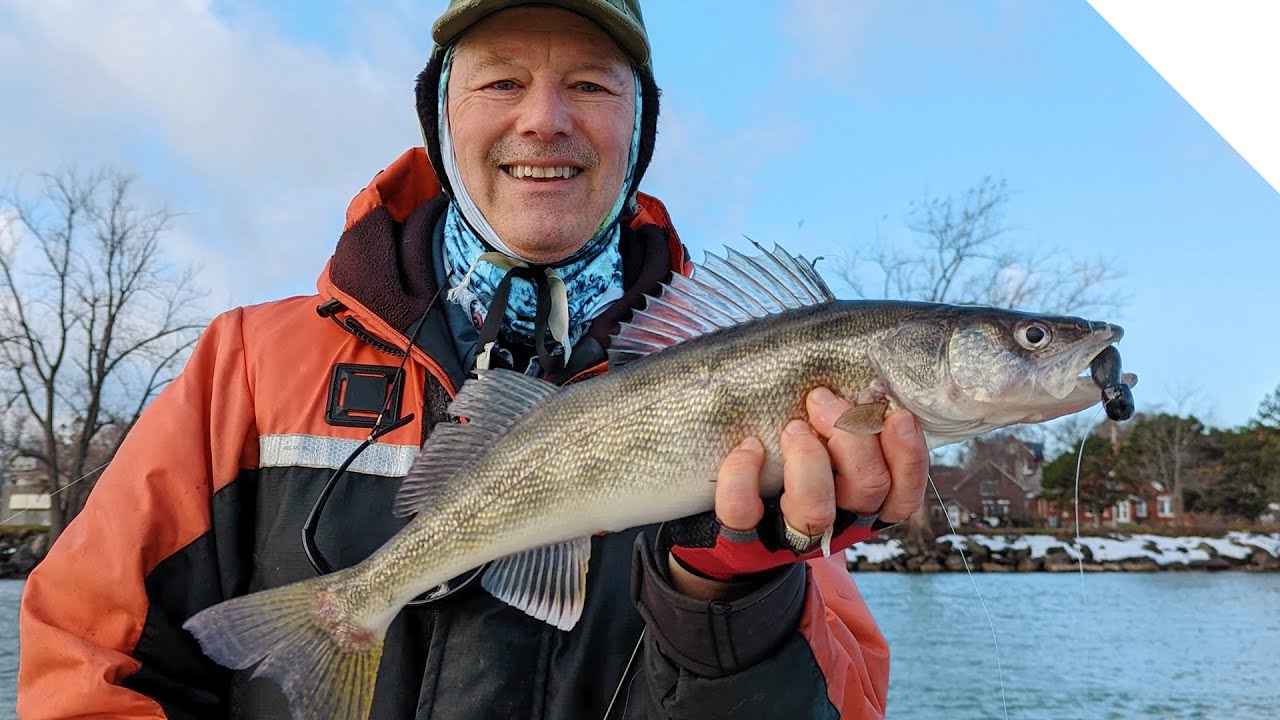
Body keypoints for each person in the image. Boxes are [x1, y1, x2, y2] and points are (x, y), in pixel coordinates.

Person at [18, 1, 929, 718]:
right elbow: (85, 666)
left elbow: (846, 704)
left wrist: (736, 604)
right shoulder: (246, 367)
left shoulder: (764, 389)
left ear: (640, 126)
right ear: (441, 119)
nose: (545, 120)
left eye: (592, 85)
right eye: (499, 82)